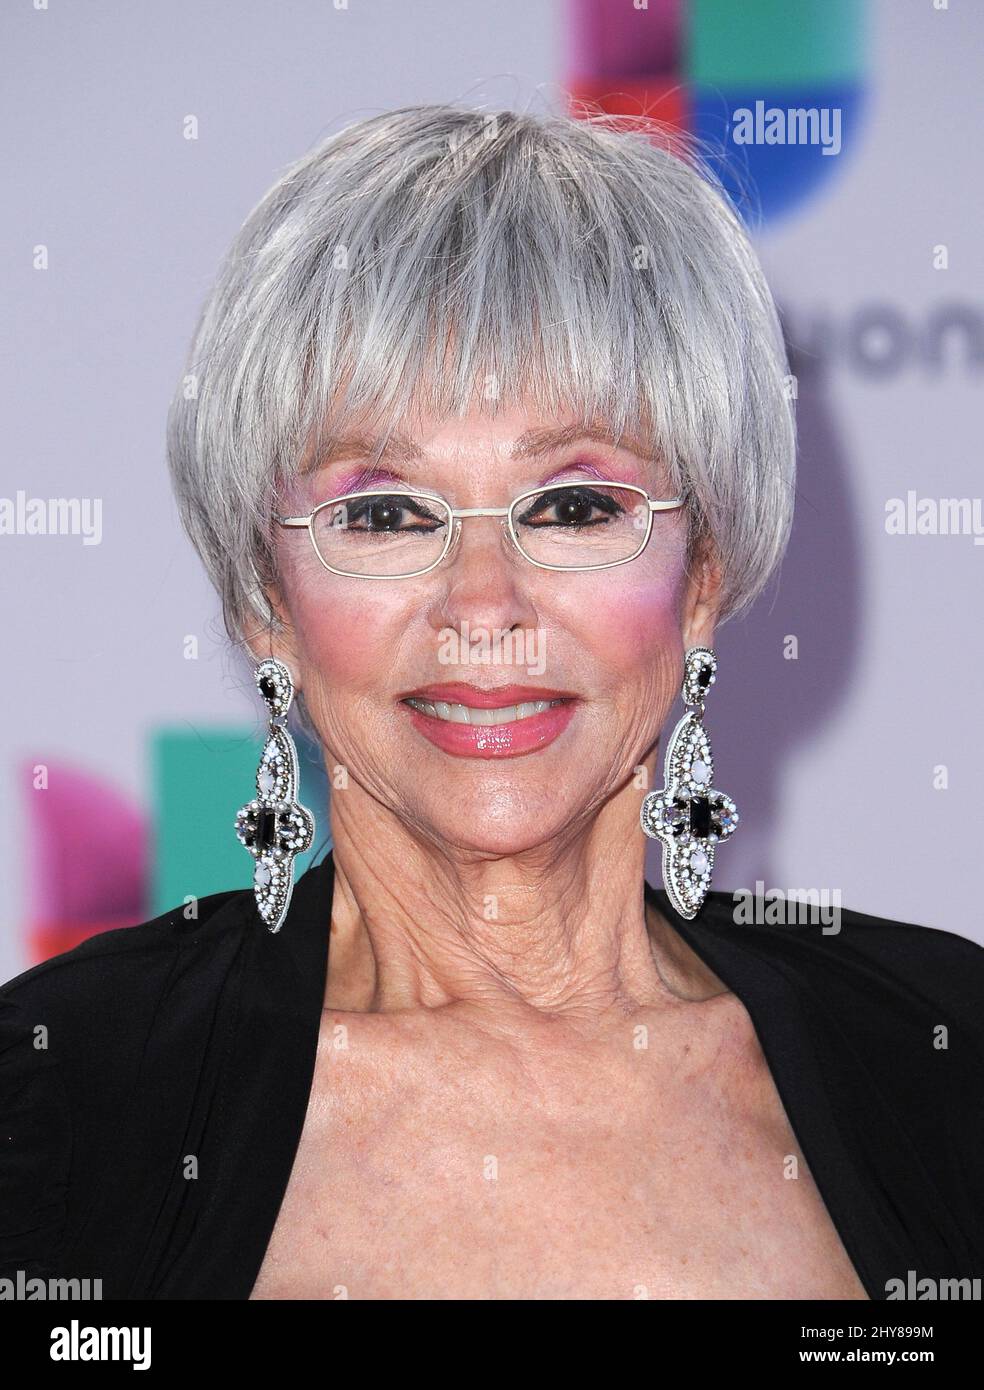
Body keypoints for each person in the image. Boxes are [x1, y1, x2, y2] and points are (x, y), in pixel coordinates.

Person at [2, 104, 982, 1302]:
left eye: (573, 507)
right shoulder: (55, 1097)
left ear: (703, 579)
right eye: (384, 512)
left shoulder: (948, 1057)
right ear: (265, 597)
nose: (484, 603)